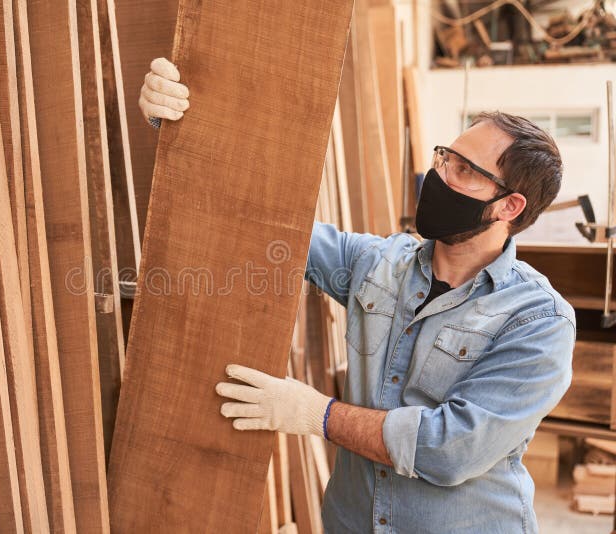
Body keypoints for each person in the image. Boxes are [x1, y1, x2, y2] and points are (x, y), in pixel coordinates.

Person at [139, 57, 575, 533]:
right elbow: (261, 220)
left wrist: (317, 414)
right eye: (445, 158)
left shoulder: (538, 319)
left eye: (464, 170)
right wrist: (180, 128)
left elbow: (450, 449)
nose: (440, 176)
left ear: (509, 206)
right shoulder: (378, 263)